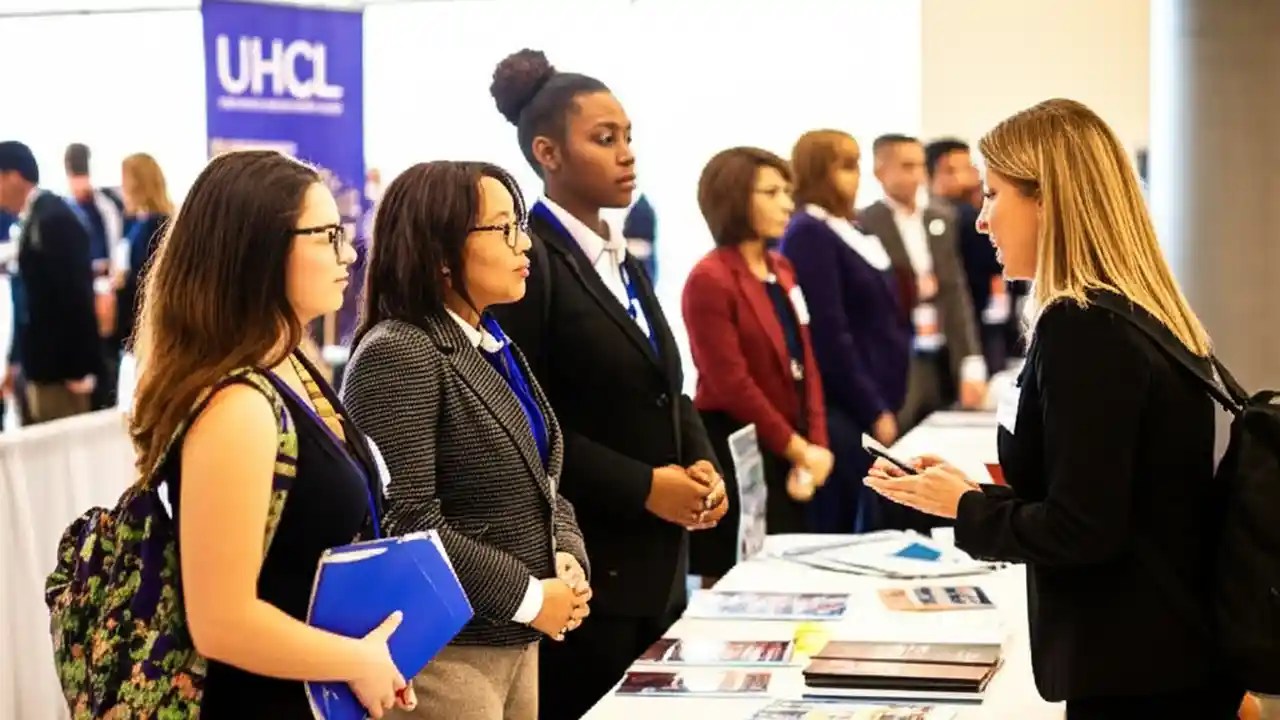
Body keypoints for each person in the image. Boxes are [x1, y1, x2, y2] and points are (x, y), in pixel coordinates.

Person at [864, 99, 1245, 719]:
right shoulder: (1131, 315)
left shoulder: (1083, 327)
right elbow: (1105, 495)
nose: (981, 220)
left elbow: (1084, 529)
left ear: (1049, 199)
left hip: (1136, 668)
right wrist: (972, 494)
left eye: (993, 195)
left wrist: (962, 508)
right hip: (1162, 650)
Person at [487, 48, 727, 719]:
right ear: (547, 152)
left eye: (628, 137)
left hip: (657, 566)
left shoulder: (621, 259)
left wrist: (702, 460)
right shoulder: (527, 262)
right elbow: (525, 425)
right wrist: (647, 487)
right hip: (588, 569)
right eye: (604, 139)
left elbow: (668, 385)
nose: (626, 154)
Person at [130, 150, 411, 718]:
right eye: (327, 235)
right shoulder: (237, 406)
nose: (348, 253)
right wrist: (355, 659)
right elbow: (223, 623)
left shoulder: (290, 368)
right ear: (259, 248)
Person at [342, 161, 592, 720]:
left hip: (512, 639)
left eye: (520, 224)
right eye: (504, 229)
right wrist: (530, 596)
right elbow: (407, 520)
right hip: (445, 654)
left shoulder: (489, 341)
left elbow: (541, 484)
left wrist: (566, 556)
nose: (523, 243)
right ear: (439, 252)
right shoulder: (399, 352)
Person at [683, 147, 833, 579]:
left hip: (792, 446)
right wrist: (799, 448)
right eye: (771, 192)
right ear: (734, 198)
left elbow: (805, 359)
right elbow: (731, 382)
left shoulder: (781, 267)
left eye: (787, 191)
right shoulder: (709, 278)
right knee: (738, 578)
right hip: (740, 446)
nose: (787, 203)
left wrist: (815, 445)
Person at [779, 130, 911, 534]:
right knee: (848, 521)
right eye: (846, 166)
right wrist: (872, 406)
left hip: (877, 399)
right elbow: (830, 332)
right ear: (819, 172)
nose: (856, 178)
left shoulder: (850, 227)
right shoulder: (809, 232)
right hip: (847, 408)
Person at [859, 134, 986, 432]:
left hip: (941, 353)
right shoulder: (865, 224)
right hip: (896, 362)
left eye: (919, 166)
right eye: (906, 166)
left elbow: (956, 294)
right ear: (880, 171)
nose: (916, 175)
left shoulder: (942, 217)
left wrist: (971, 362)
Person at [0, 140, 100, 424]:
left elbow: (75, 297)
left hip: (60, 376)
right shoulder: (33, 219)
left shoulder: (54, 219)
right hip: (39, 370)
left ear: (13, 176)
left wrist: (78, 370)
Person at [115, 153, 171, 357]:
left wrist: (122, 280)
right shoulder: (138, 224)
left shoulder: (154, 226)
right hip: (137, 328)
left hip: (146, 328)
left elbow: (146, 277)